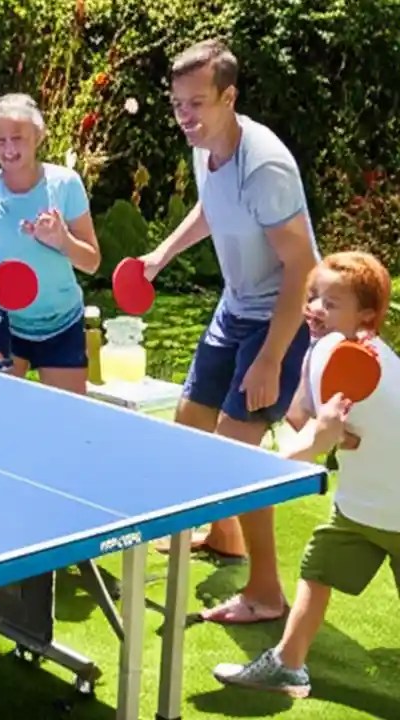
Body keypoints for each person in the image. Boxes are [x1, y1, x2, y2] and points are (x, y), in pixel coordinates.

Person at [139, 38, 320, 624]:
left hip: (280, 316)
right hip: (233, 307)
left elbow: (303, 267)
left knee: (237, 450)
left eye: (197, 104)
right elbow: (210, 209)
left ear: (229, 97)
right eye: (177, 105)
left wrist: (271, 359)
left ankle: (266, 591)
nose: (186, 117)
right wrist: (160, 255)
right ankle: (224, 538)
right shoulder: (204, 147)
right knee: (190, 424)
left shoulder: (263, 165)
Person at [213, 250, 398, 697]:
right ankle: (288, 663)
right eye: (313, 296)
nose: (315, 308)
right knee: (318, 568)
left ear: (367, 317)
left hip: (385, 505)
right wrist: (324, 433)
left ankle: (287, 664)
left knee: (318, 570)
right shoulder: (341, 349)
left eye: (331, 304)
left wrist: (314, 442)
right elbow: (302, 414)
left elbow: (307, 447)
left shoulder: (344, 359)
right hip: (364, 504)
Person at [0, 93, 101, 394]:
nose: (9, 149)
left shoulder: (66, 184)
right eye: (1, 141)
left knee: (69, 422)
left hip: (62, 321)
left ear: (38, 136)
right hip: (3, 321)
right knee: (0, 419)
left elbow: (92, 262)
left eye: (18, 138)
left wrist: (63, 240)